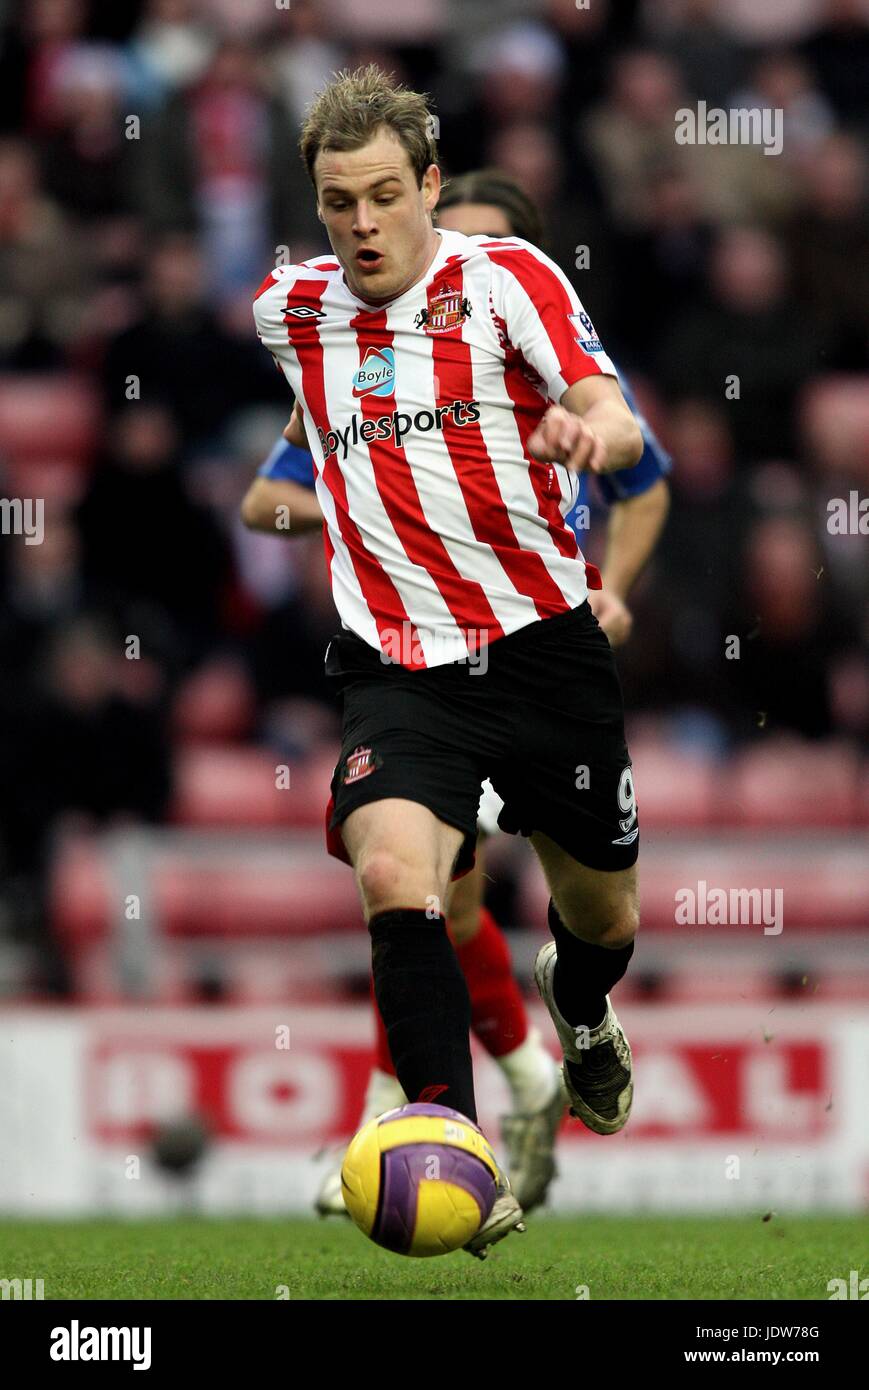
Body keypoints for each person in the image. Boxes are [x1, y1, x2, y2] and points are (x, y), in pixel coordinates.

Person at [252, 67, 644, 1257]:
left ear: (428, 184)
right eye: (335, 202)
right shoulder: (290, 312)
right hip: (397, 668)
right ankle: (449, 1140)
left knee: (601, 914)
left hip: (541, 648)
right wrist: (307, 507)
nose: (360, 224)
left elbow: (615, 420)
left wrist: (588, 429)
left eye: (381, 195)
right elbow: (292, 461)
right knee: (393, 872)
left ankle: (576, 1012)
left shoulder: (510, 279)